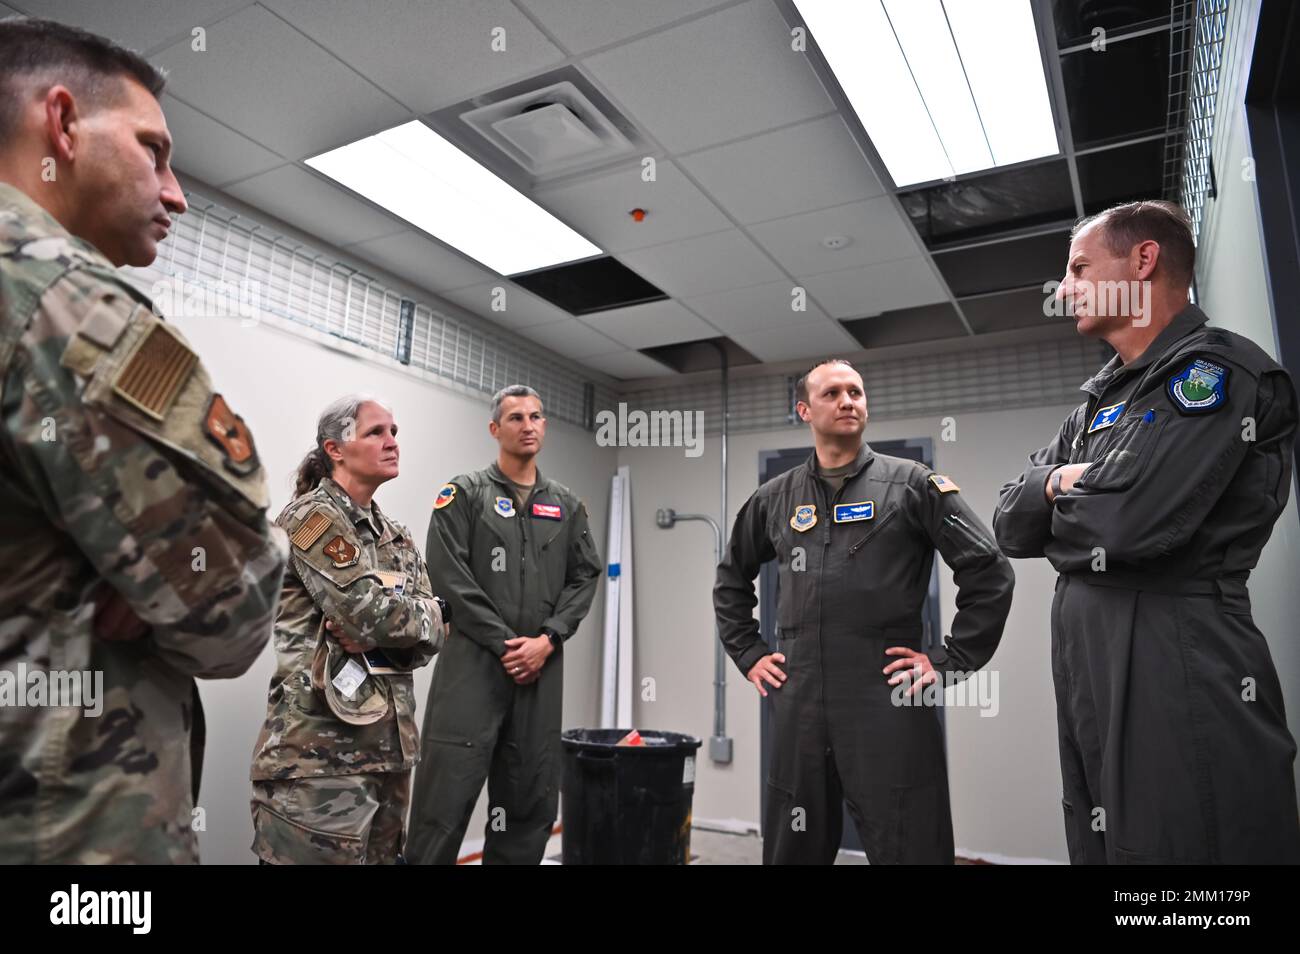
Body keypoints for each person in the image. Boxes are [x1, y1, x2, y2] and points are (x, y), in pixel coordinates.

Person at [0, 17, 286, 863]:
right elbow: (232, 611)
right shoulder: (61, 301)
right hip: (67, 836)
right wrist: (127, 578)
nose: (177, 192)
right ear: (62, 124)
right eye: (153, 151)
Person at [993, 199, 1300, 864]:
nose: (1063, 288)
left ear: (1142, 260)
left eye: (1078, 267)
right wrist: (1056, 484)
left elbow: (1126, 525)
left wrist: (1076, 495)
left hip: (1176, 659)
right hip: (1088, 668)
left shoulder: (1215, 372)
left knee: (1185, 850)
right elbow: (1008, 522)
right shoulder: (1100, 403)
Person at [714, 358, 1014, 864]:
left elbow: (989, 569)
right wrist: (747, 651)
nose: (848, 401)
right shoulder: (775, 498)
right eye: (832, 393)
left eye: (856, 391)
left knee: (910, 841)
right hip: (800, 700)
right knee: (793, 845)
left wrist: (949, 660)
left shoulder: (913, 485)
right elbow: (730, 578)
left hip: (888, 699)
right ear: (804, 410)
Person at [406, 384, 602, 864]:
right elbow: (448, 578)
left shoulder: (567, 505)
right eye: (516, 418)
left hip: (539, 672)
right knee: (442, 800)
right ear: (495, 429)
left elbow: (585, 576)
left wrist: (549, 639)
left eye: (536, 416)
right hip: (472, 670)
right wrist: (507, 644)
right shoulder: (464, 495)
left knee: (529, 800)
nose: (528, 425)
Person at [249, 395, 446, 864]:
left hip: (389, 755)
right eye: (376, 432)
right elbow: (363, 611)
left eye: (395, 432)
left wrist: (416, 624)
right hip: (318, 764)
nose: (392, 442)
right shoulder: (310, 518)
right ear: (335, 448)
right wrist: (416, 619)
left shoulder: (394, 536)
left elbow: (433, 635)